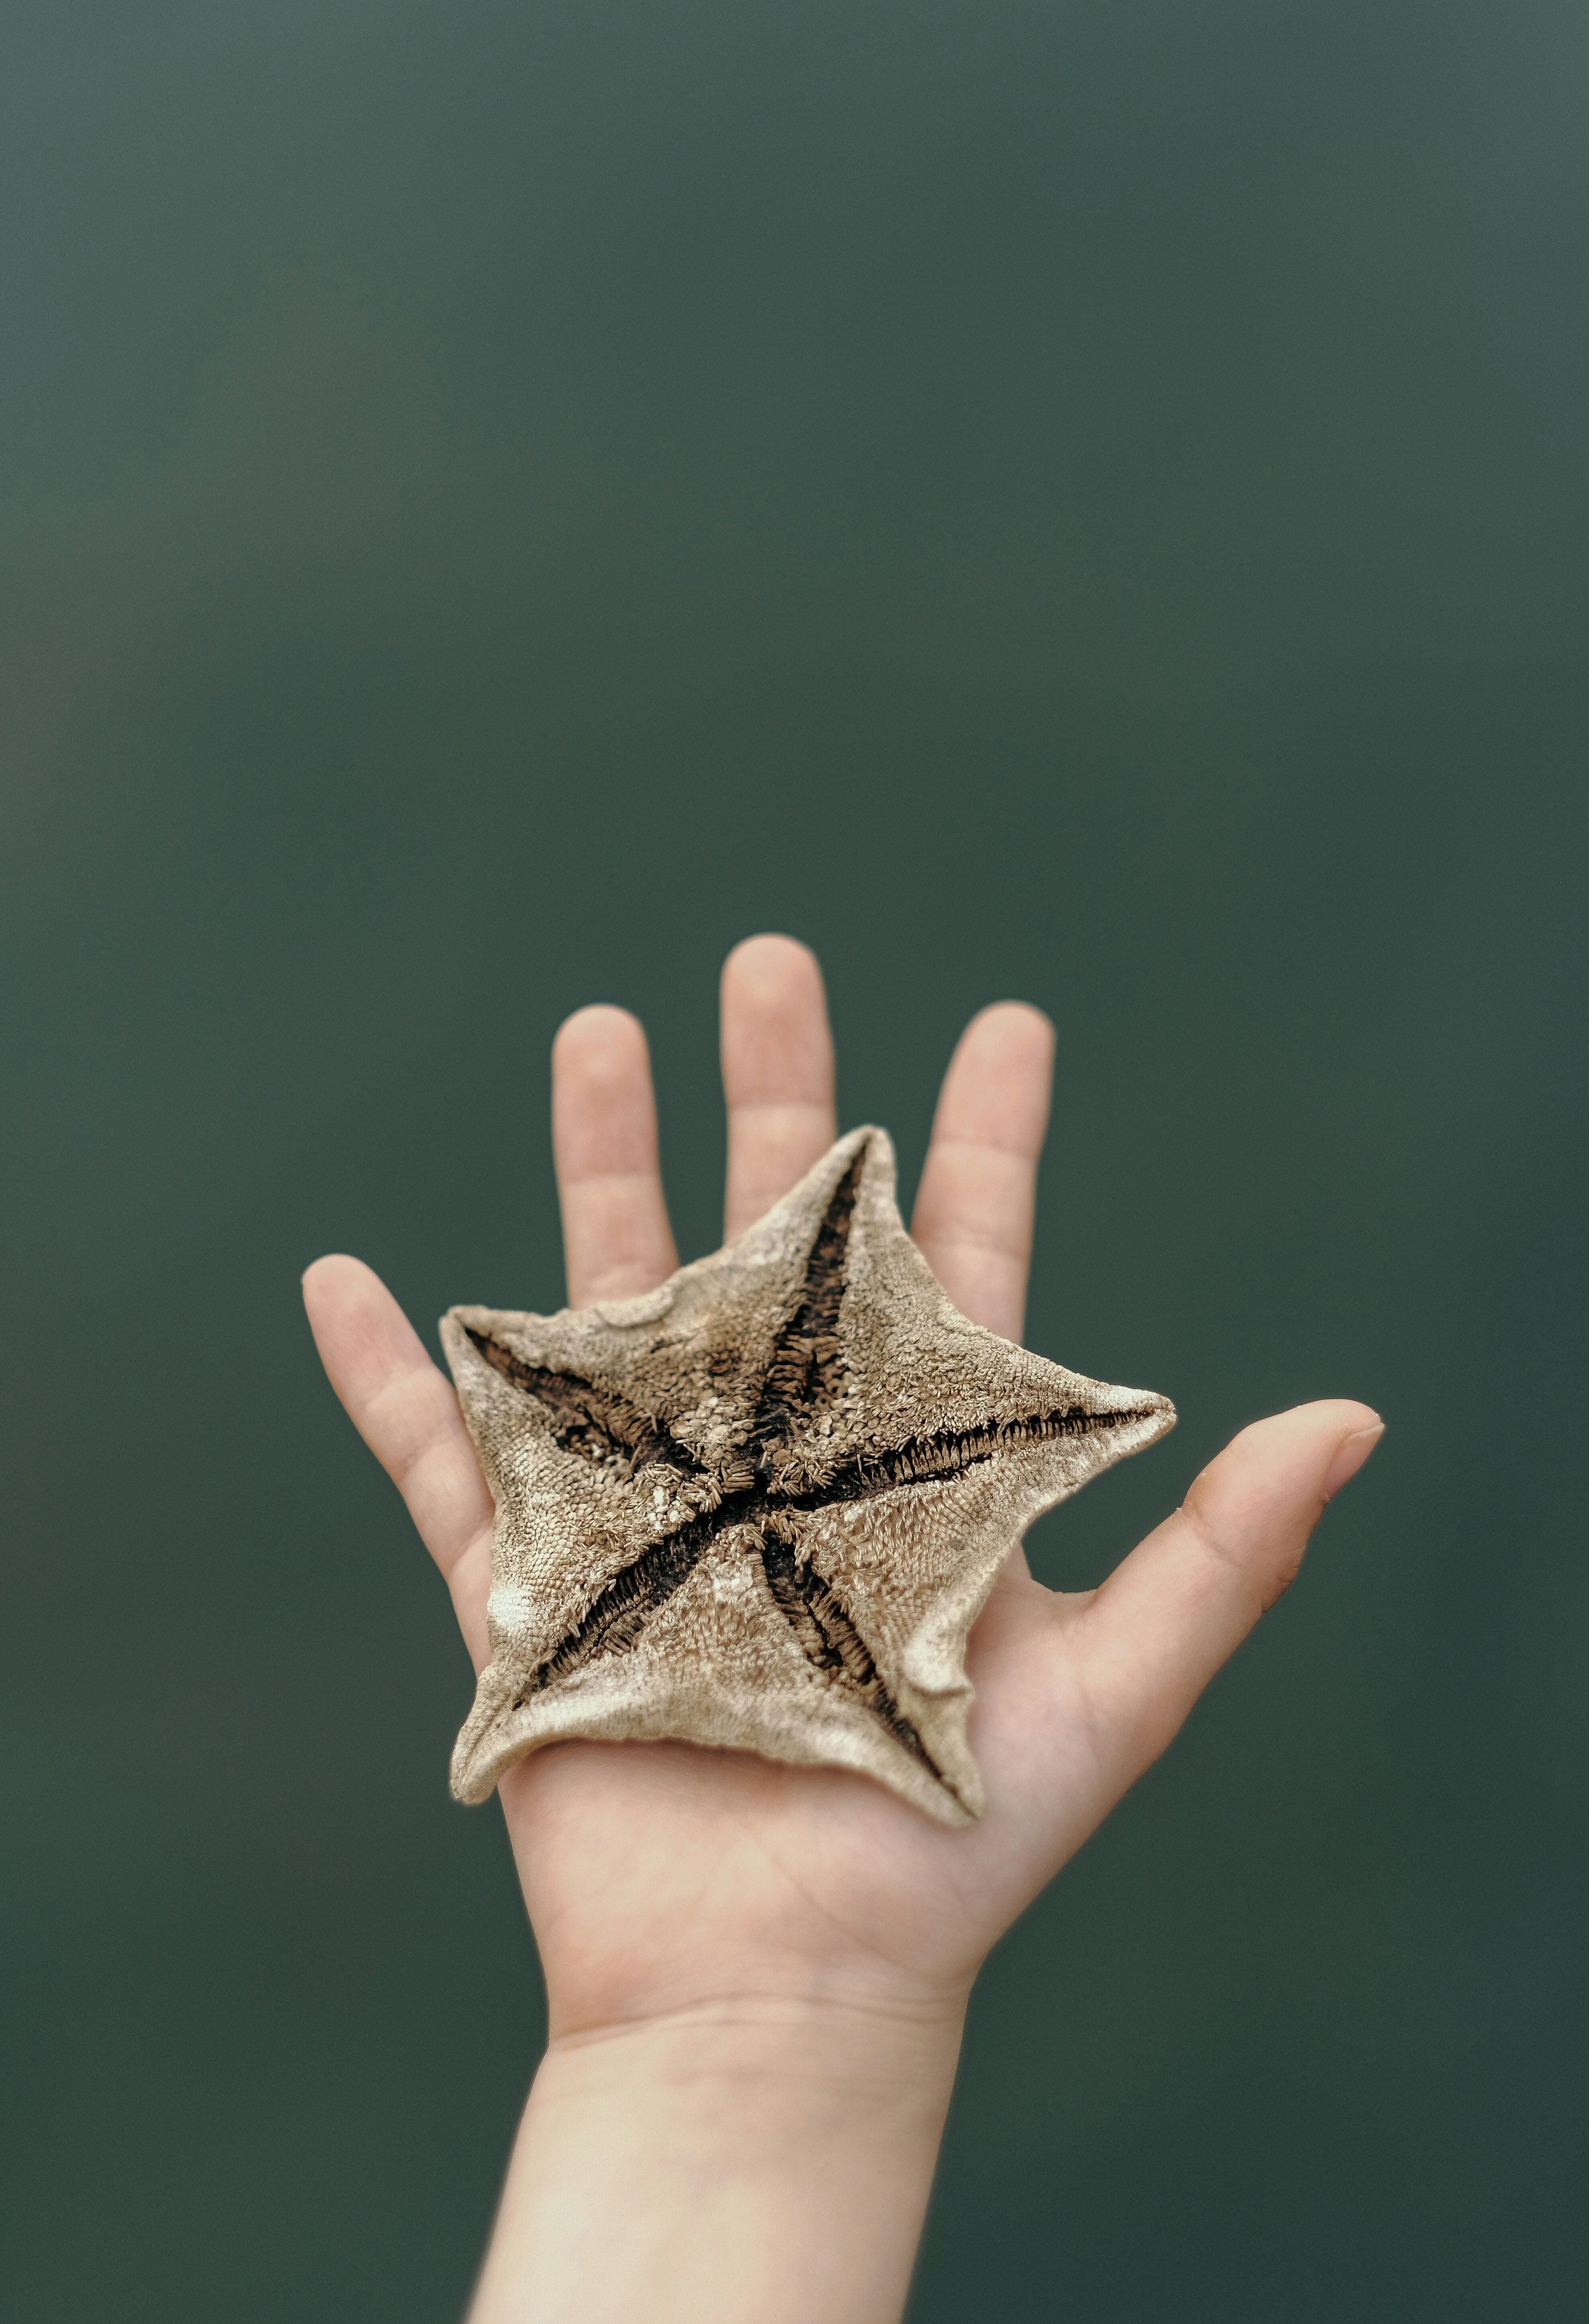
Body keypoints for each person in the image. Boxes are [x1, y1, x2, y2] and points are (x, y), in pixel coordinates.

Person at [303, 935, 1381, 2324]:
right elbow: (514, 1362)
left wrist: (724, 2052)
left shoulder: (611, 1377)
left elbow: (529, 1355)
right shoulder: (557, 1410)